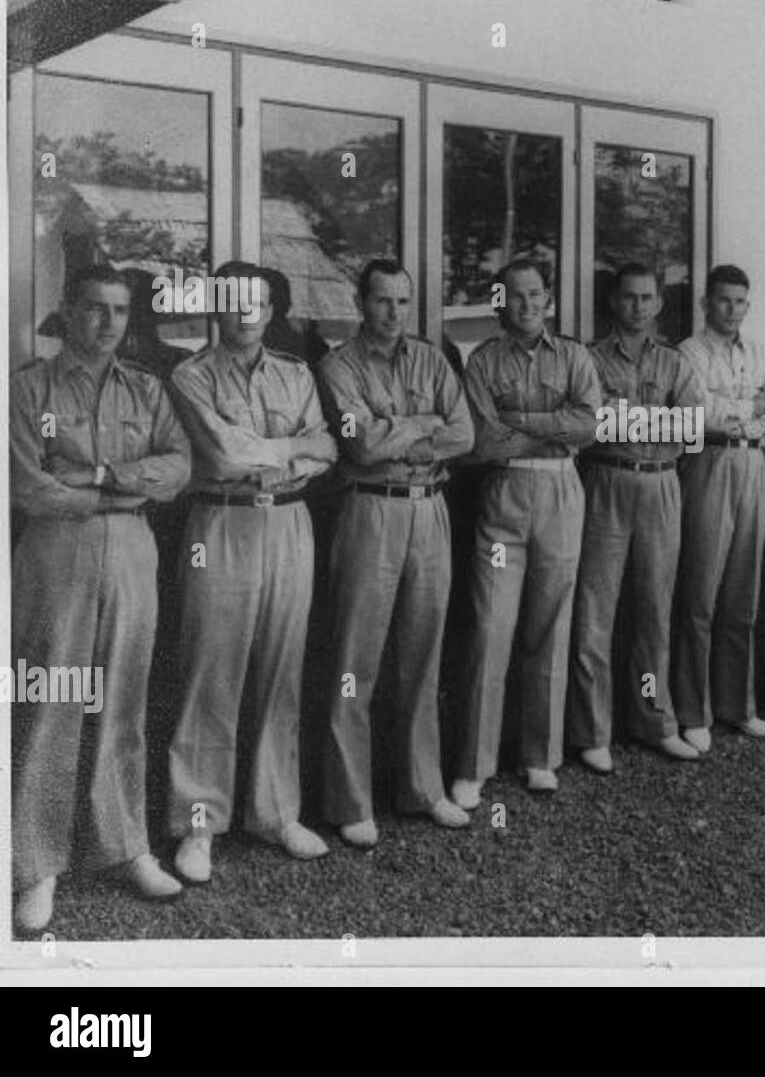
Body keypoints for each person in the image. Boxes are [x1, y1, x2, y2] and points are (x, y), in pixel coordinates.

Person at [10, 265, 191, 931]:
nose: (107, 321)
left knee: (123, 702)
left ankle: (124, 847)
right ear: (67, 310)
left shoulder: (147, 390)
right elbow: (26, 486)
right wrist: (111, 491)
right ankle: (36, 865)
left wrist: (100, 474)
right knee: (50, 701)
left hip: (132, 551)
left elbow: (178, 468)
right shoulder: (29, 388)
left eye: (118, 310)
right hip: (55, 551)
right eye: (93, 308)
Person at [167, 261, 338, 882]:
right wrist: (292, 450)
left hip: (290, 526)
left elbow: (329, 448)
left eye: (258, 303)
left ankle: (276, 812)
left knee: (281, 670)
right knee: (212, 672)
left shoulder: (296, 373)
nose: (246, 313)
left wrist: (282, 454)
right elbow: (223, 452)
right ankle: (198, 825)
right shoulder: (190, 376)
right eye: (234, 301)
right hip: (222, 525)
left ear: (271, 310)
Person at [315, 260, 474, 847]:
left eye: (403, 302)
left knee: (422, 650)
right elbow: (361, 443)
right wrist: (420, 424)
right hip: (371, 509)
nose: (393, 313)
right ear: (361, 302)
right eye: (382, 301)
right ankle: (351, 801)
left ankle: (422, 788)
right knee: (357, 659)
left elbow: (464, 435)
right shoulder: (337, 365)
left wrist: (396, 429)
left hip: (430, 508)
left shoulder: (432, 359)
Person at [452, 257, 601, 807]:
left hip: (562, 493)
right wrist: (553, 428)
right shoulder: (484, 360)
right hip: (505, 496)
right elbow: (484, 441)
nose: (526, 304)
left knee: (550, 625)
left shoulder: (575, 357)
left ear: (548, 299)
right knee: (492, 627)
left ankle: (540, 756)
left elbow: (589, 425)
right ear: (501, 302)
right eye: (515, 296)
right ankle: (473, 765)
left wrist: (524, 423)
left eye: (536, 294)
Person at [566, 263, 705, 772]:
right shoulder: (588, 358)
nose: (638, 307)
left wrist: (624, 418)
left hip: (662, 482)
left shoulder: (674, 361)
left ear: (659, 303)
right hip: (607, 481)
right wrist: (650, 419)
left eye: (647, 298)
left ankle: (655, 721)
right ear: (613, 301)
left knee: (654, 611)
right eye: (629, 298)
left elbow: (691, 427)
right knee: (594, 613)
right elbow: (589, 425)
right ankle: (593, 731)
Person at [673, 264, 765, 752]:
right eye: (723, 300)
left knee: (744, 591)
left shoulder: (762, 354)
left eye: (740, 301)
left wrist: (739, 416)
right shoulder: (688, 352)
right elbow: (695, 415)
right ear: (706, 303)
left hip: (754, 468)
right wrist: (751, 412)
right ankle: (692, 710)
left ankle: (737, 705)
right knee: (701, 590)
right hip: (709, 464)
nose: (732, 309)